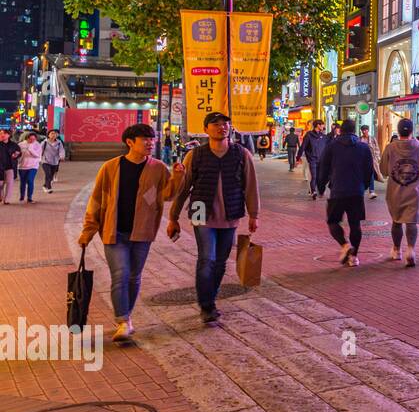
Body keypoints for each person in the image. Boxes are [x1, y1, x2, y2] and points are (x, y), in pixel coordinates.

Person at [80, 124, 186, 342]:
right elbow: (97, 200)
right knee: (120, 275)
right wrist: (88, 231)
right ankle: (123, 320)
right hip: (113, 231)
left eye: (152, 139)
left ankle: (126, 317)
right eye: (145, 139)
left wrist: (177, 177)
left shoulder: (157, 168)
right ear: (130, 142)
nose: (150, 143)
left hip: (142, 232)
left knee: (134, 276)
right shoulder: (110, 167)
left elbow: (167, 195)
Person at [167, 112, 259, 323]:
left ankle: (210, 296)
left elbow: (250, 185)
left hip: (230, 212)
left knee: (220, 262)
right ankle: (206, 305)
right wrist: (173, 217)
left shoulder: (241, 153)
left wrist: (254, 214)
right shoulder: (195, 155)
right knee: (206, 258)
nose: (222, 127)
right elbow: (184, 188)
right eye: (216, 124)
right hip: (200, 210)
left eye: (225, 124)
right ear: (206, 129)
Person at [318, 118, 373, 267]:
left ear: (341, 130)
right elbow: (369, 170)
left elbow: (323, 168)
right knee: (355, 224)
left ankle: (345, 245)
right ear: (355, 131)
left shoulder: (332, 146)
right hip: (356, 191)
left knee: (333, 221)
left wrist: (321, 187)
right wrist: (364, 186)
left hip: (338, 190)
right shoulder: (363, 147)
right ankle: (354, 257)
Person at [381, 118, 419, 267]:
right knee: (411, 221)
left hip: (395, 190)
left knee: (396, 220)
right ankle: (411, 250)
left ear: (398, 130)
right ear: (412, 131)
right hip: (414, 190)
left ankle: (396, 250)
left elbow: (383, 169)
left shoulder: (390, 147)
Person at [302, 120, 329, 199]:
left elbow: (328, 147)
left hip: (321, 160)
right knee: (314, 176)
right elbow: (303, 146)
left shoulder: (323, 137)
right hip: (312, 159)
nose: (323, 127)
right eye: (322, 125)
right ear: (318, 125)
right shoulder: (309, 135)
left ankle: (316, 189)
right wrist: (298, 157)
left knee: (319, 177)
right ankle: (313, 191)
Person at [17, 132, 42, 203]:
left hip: (33, 166)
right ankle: (22, 197)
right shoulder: (20, 145)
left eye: (34, 139)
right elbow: (18, 154)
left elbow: (37, 155)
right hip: (22, 166)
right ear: (27, 138)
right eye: (30, 139)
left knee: (30, 180)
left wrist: (31, 148)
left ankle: (29, 198)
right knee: (23, 182)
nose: (32, 140)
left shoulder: (37, 145)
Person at [359, 125, 383, 199]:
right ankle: (361, 191)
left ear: (368, 130)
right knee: (362, 175)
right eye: (363, 130)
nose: (364, 131)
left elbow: (376, 148)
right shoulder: (359, 139)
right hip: (362, 160)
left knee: (371, 174)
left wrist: (377, 157)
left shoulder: (372, 139)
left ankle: (371, 191)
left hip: (371, 159)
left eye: (366, 130)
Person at [40, 129, 66, 194]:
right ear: (48, 135)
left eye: (54, 133)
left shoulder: (59, 142)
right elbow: (39, 150)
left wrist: (62, 156)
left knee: (51, 176)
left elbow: (61, 150)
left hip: (55, 161)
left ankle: (45, 185)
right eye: (51, 133)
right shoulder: (44, 142)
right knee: (48, 174)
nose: (53, 135)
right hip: (45, 161)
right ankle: (49, 188)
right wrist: (38, 158)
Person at [0, 129, 19, 205]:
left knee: (9, 183)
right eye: (1, 133)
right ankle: (1, 196)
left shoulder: (14, 145)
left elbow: (19, 152)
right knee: (0, 183)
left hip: (10, 166)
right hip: (0, 167)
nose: (2, 135)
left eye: (4, 133)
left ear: (9, 135)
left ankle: (7, 199)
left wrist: (16, 154)